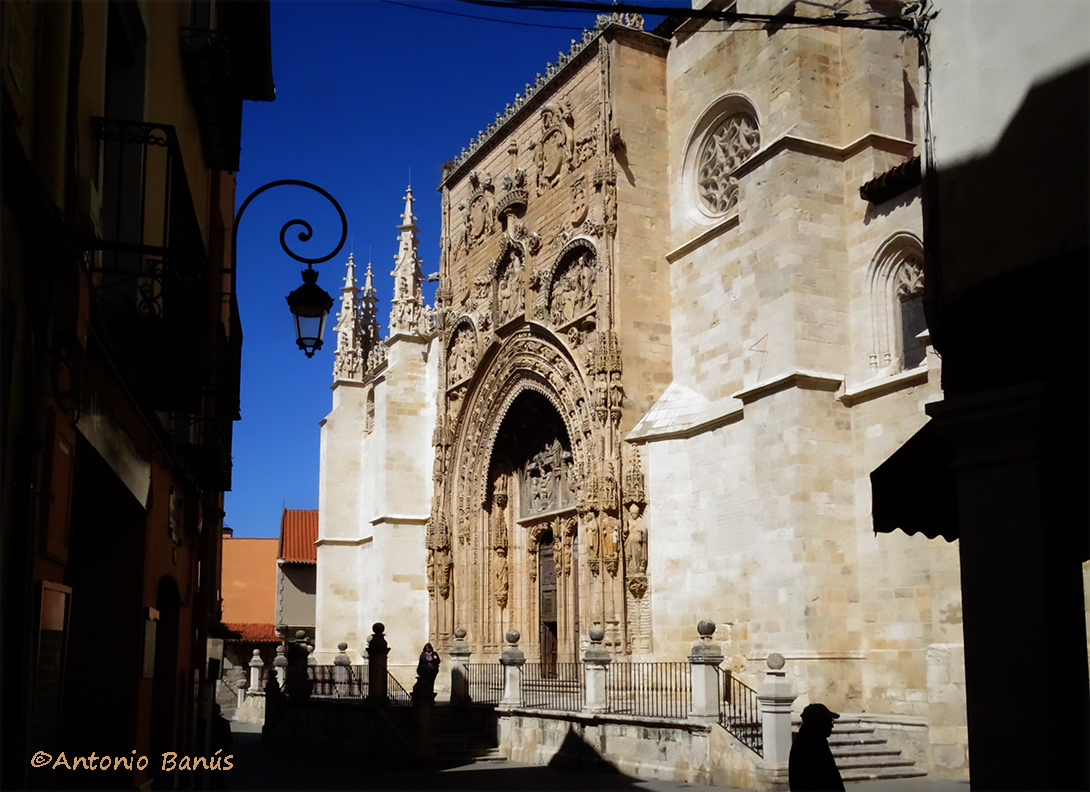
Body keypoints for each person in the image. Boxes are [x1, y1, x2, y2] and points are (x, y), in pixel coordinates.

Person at [788, 703, 844, 791]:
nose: (831, 725)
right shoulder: (809, 748)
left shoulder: (815, 742)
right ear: (819, 723)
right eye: (829, 721)